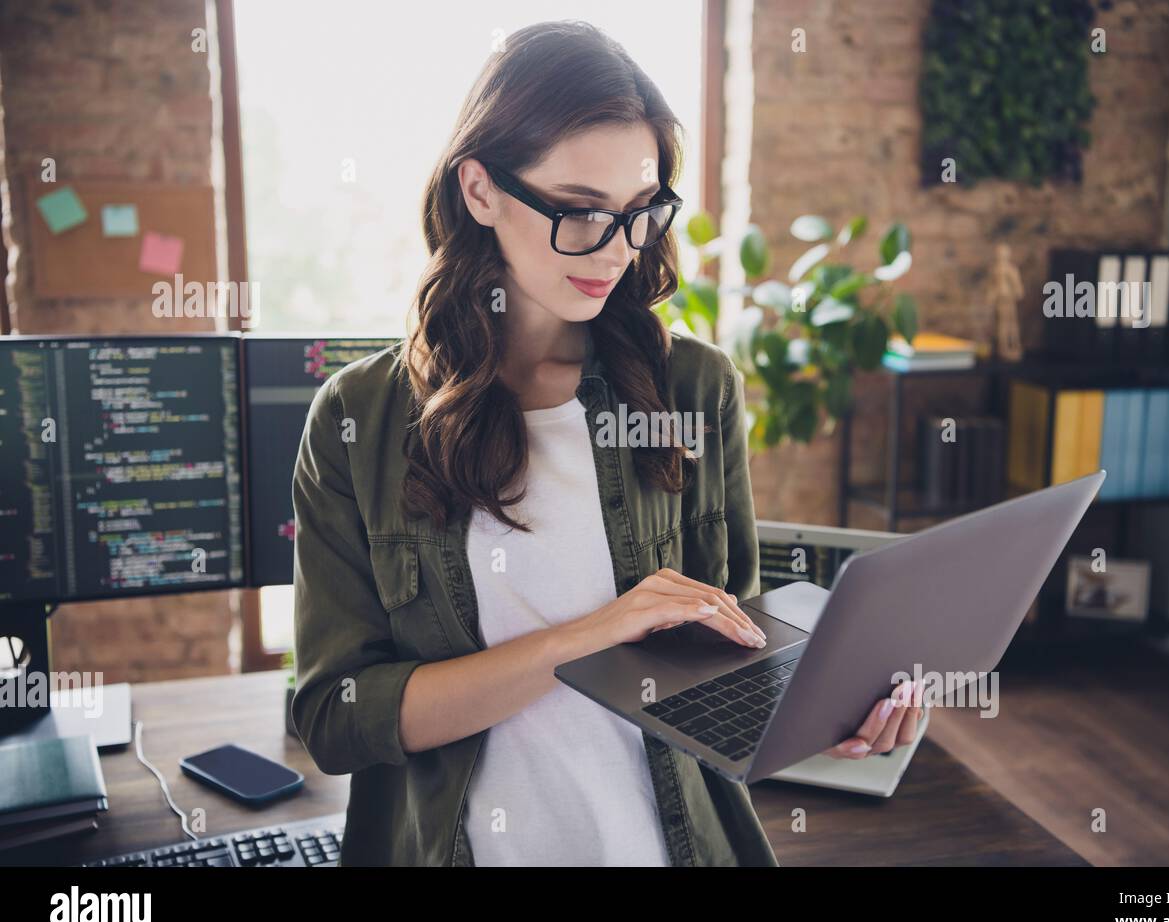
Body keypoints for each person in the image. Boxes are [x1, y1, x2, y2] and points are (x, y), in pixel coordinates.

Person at [291, 19, 924, 867]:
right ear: (479, 190)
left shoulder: (693, 389)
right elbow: (336, 717)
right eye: (580, 212)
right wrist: (587, 637)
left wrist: (825, 717)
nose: (619, 250)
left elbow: (726, 661)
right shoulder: (358, 420)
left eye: (640, 213)